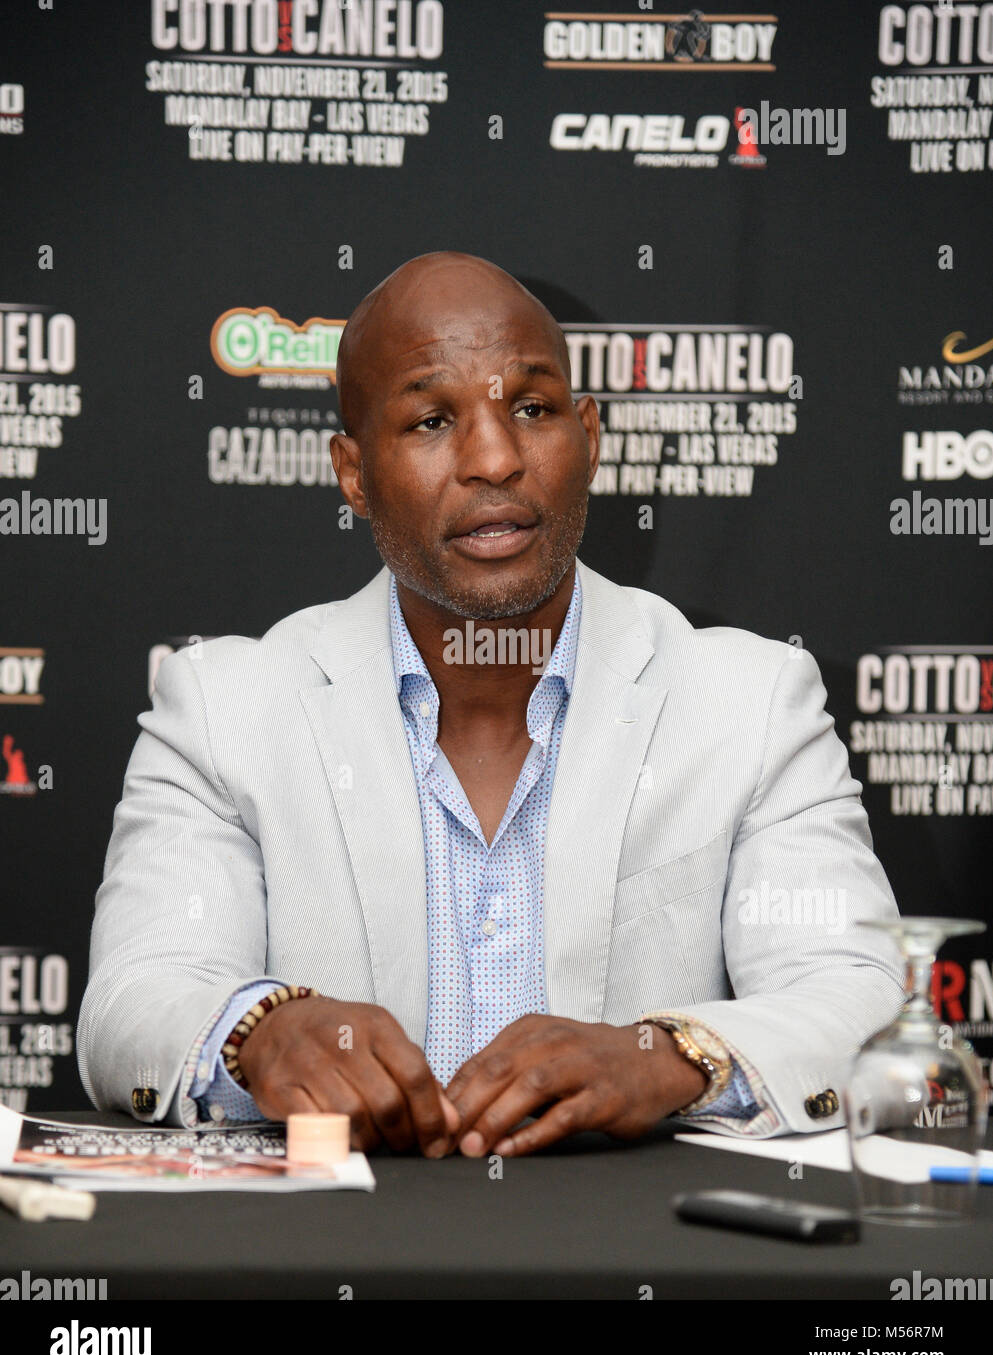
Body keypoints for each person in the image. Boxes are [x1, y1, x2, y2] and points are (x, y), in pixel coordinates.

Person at [78, 252, 904, 1158]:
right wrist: (259, 1032)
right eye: (432, 419)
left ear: (587, 435)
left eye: (532, 409)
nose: (496, 459)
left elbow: (856, 992)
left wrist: (667, 1055)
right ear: (353, 474)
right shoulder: (224, 712)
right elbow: (135, 1000)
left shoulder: (749, 705)